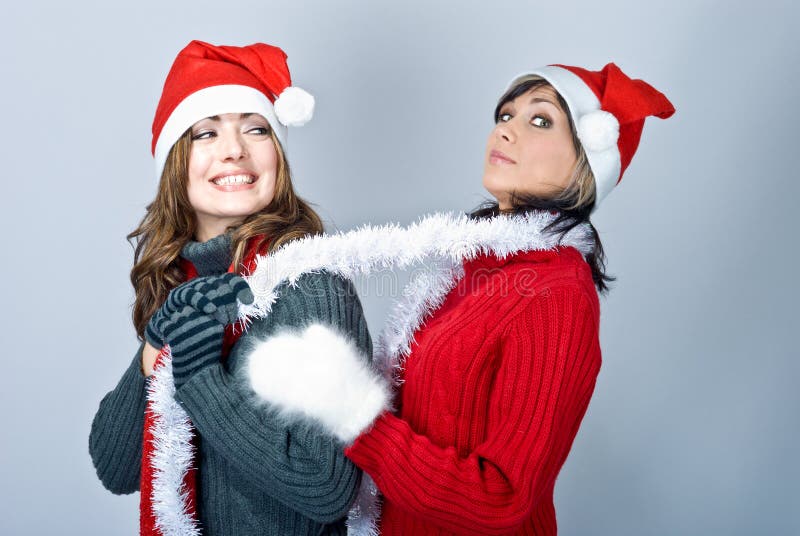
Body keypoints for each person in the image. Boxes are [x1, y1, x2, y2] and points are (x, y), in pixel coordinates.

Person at [236, 62, 675, 535]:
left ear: (585, 164)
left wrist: (355, 416)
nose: (506, 131)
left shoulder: (557, 295)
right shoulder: (477, 269)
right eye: (504, 116)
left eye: (540, 120)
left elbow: (501, 499)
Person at [88, 40, 371, 535]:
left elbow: (328, 486)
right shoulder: (187, 291)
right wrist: (154, 348)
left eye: (256, 129)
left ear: (277, 157)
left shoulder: (309, 285)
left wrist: (200, 381)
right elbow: (116, 468)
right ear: (176, 163)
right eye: (206, 133)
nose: (234, 148)